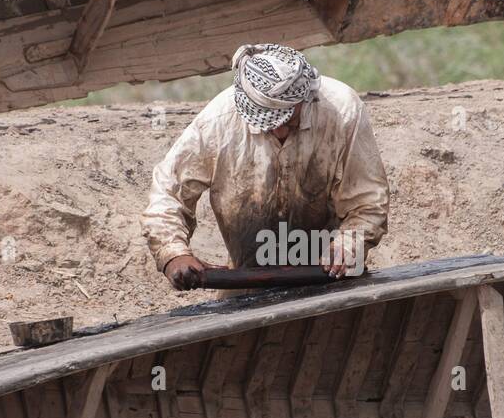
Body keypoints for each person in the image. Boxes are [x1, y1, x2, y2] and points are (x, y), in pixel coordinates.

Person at [142, 42, 389, 290]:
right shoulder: (218, 121)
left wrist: (350, 244)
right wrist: (173, 253)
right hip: (247, 275)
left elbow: (368, 199)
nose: (280, 130)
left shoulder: (342, 111)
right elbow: (168, 192)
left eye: (288, 119)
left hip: (328, 276)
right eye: (269, 123)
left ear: (305, 98)